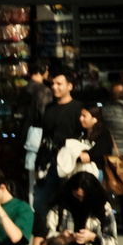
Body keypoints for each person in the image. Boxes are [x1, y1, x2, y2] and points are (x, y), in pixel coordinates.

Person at [31, 71, 83, 229]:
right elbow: (43, 136)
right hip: (49, 163)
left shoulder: (78, 108)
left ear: (70, 86)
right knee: (40, 201)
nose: (54, 87)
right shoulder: (49, 108)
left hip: (70, 164)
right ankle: (44, 232)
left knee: (70, 199)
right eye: (53, 83)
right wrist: (38, 163)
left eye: (59, 84)